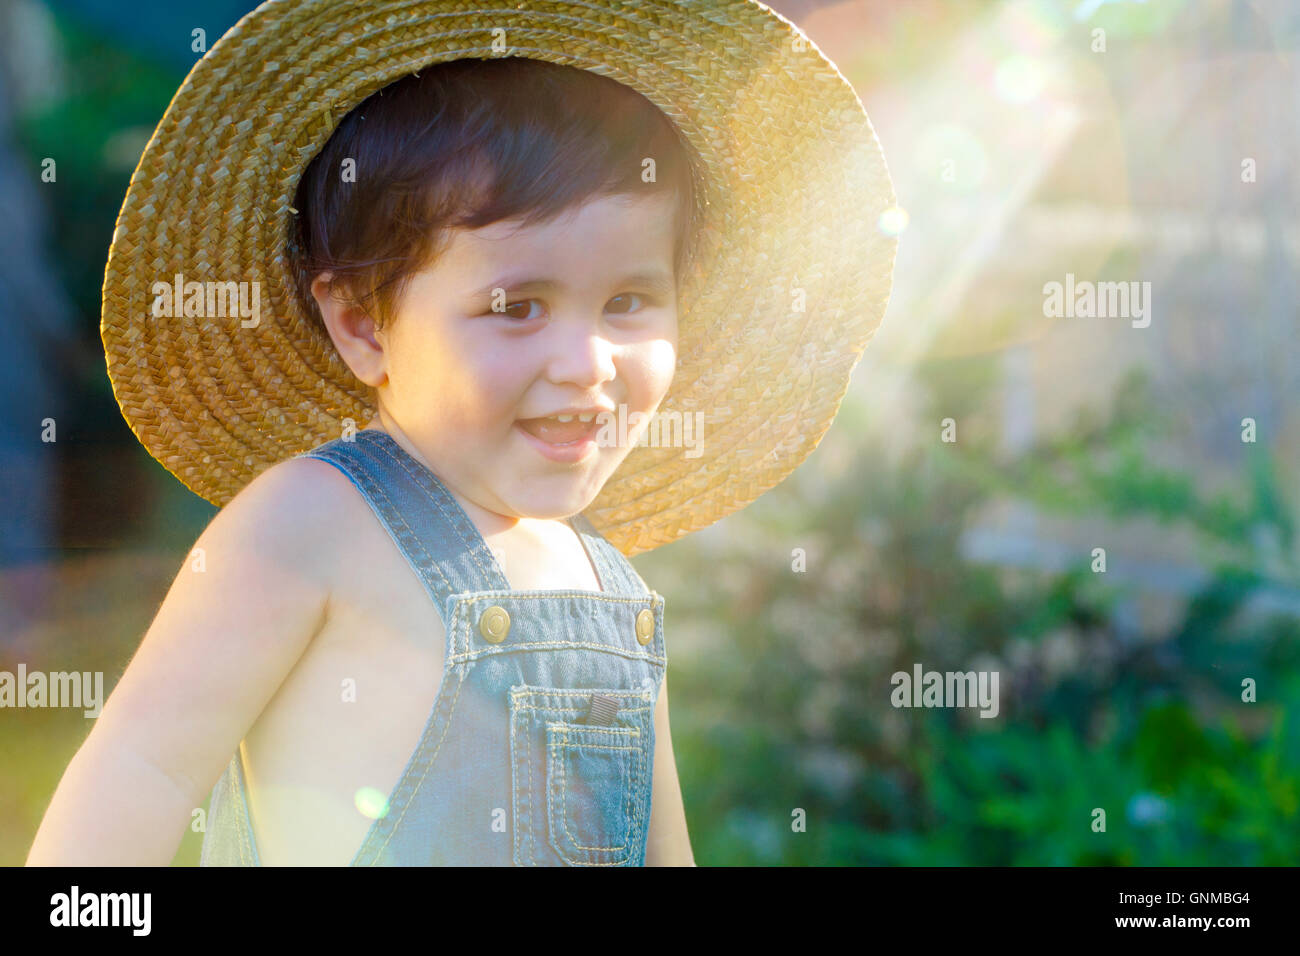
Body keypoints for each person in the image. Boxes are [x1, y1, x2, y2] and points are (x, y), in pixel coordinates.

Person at [28, 0, 896, 866]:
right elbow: (138, 775)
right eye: (518, 307)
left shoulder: (611, 588)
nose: (587, 361)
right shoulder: (311, 522)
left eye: (628, 302)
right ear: (364, 328)